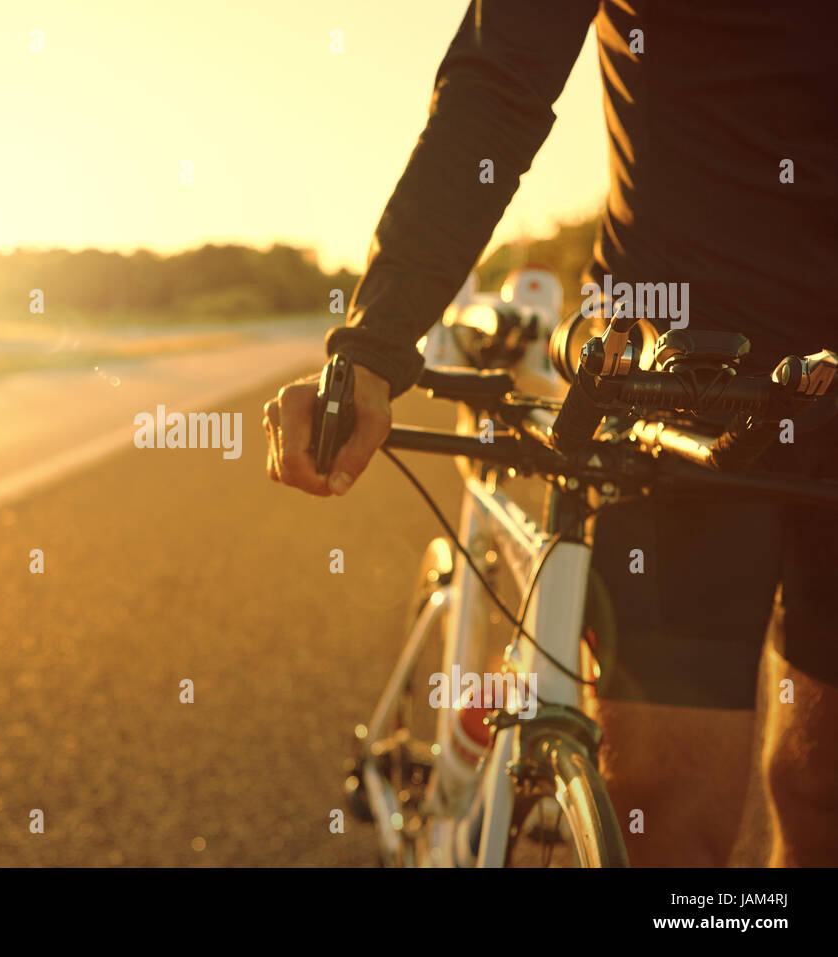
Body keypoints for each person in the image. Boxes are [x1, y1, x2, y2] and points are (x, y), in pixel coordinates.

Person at [263, 0, 838, 866]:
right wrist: (377, 341)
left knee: (825, 783)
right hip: (675, 363)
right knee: (673, 805)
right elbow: (499, 82)